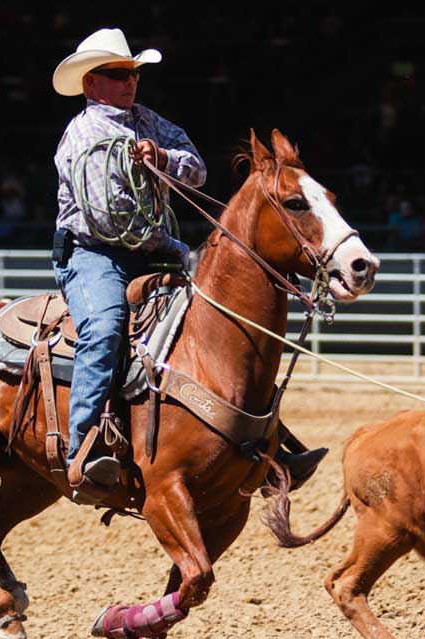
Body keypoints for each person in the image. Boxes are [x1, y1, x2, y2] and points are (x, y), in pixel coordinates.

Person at [51, 28, 324, 494]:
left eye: (132, 73)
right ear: (90, 84)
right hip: (96, 254)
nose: (129, 81)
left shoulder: (149, 122)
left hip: (151, 252)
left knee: (223, 323)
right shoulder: (83, 135)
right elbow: (105, 219)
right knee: (107, 325)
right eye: (117, 74)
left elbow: (195, 169)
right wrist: (173, 247)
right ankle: (84, 445)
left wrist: (162, 156)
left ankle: (266, 441)